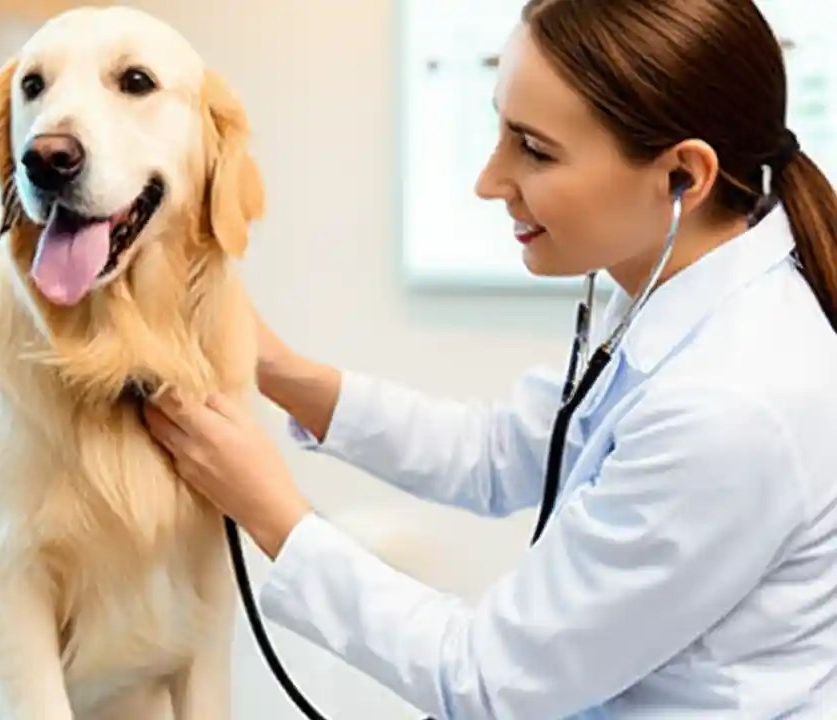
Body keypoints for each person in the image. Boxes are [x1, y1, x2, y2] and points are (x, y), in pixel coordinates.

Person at [142, 0, 837, 717]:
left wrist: (270, 510)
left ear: (682, 177)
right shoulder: (680, 300)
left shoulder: (732, 405)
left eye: (533, 150)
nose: (489, 179)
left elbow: (487, 679)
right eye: (501, 132)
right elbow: (497, 451)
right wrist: (278, 369)